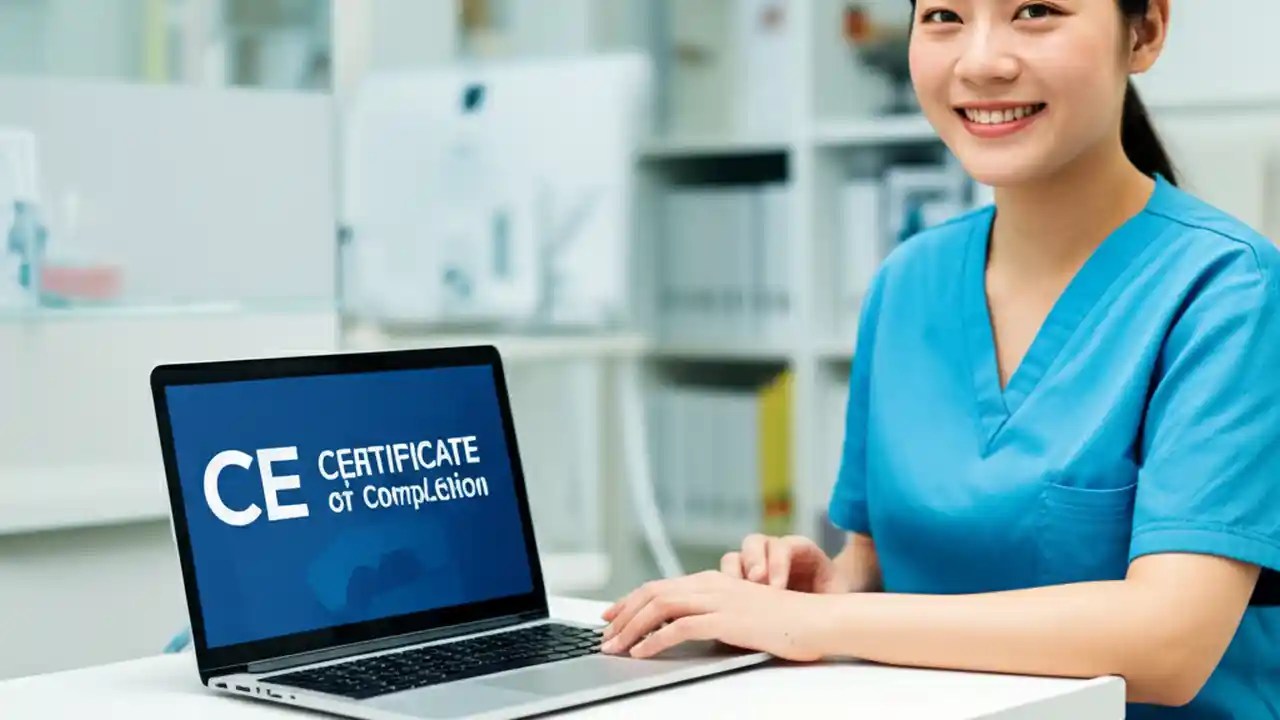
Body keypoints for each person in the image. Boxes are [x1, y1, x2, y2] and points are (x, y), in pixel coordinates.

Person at [599, 1, 1280, 717]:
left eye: (1037, 11)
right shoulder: (908, 281)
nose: (981, 60)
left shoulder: (1231, 291)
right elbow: (879, 565)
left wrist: (818, 625)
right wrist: (833, 585)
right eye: (946, 16)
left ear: (1144, 33)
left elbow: (1167, 647)